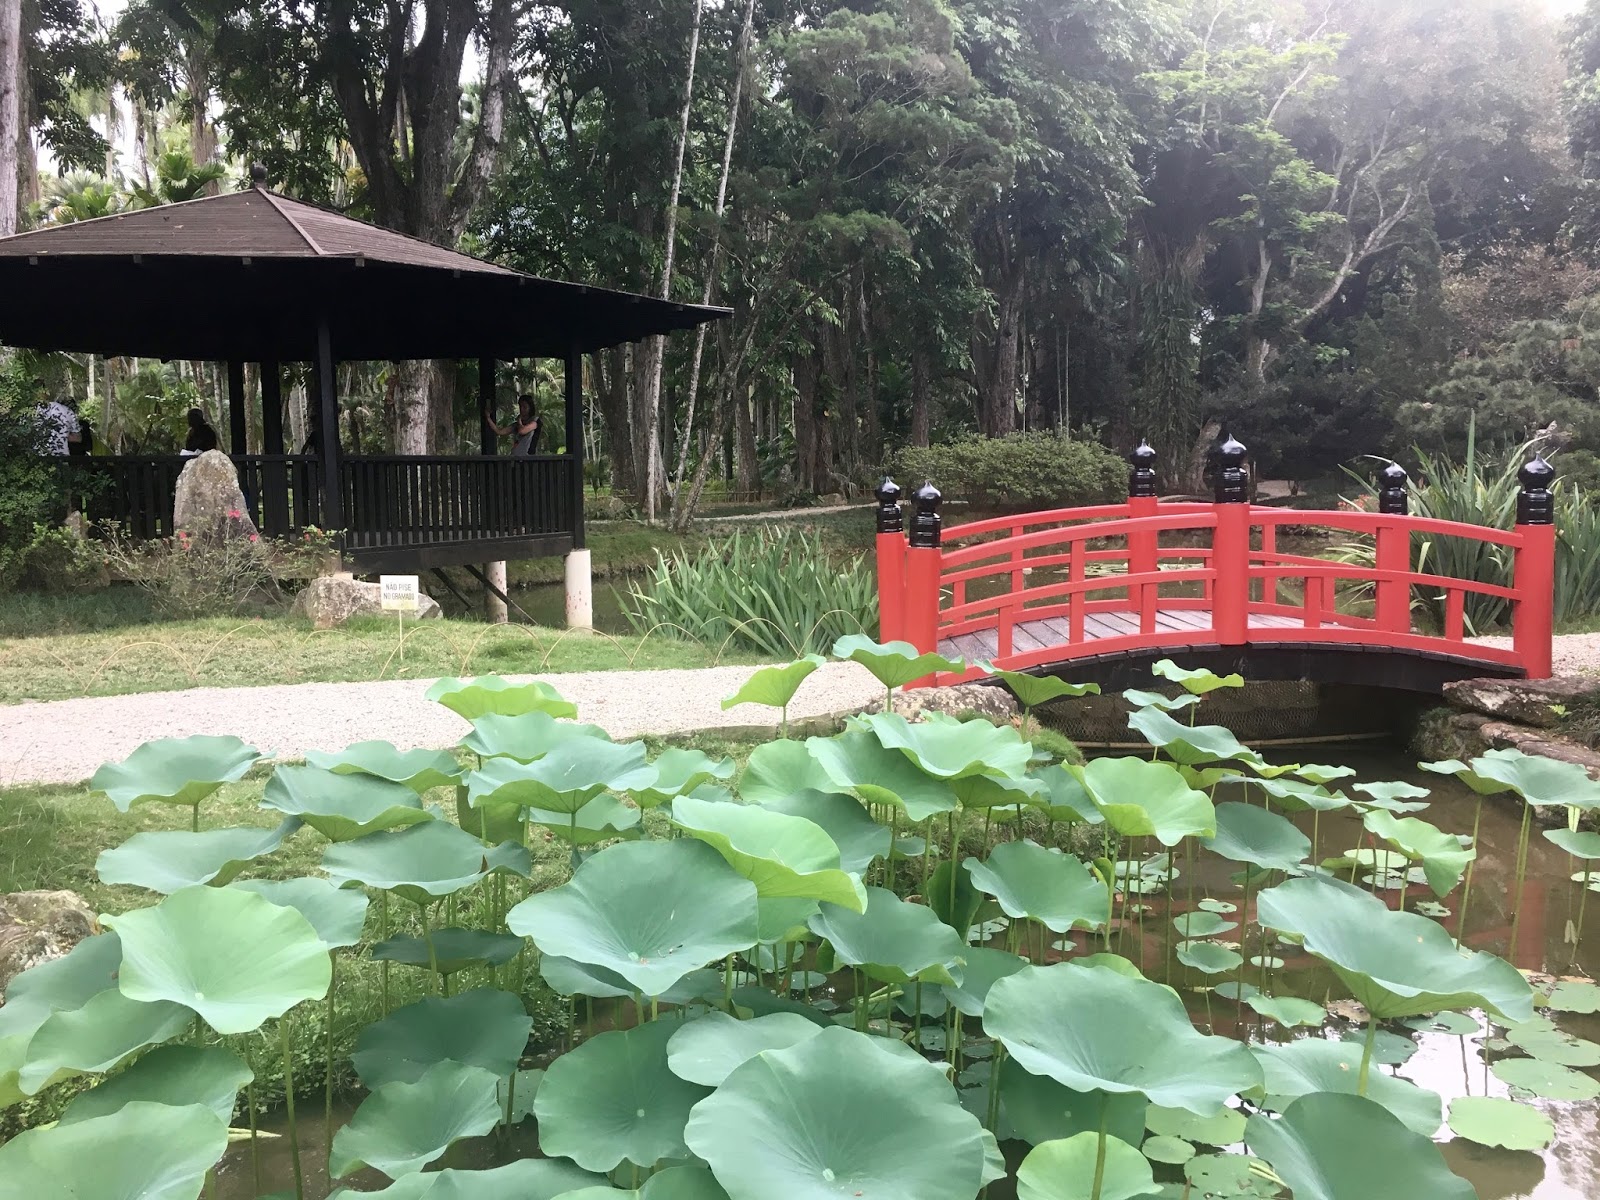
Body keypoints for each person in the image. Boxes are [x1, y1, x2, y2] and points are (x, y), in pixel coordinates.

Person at [34, 388, 81, 456]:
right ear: (46, 393)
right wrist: (61, 435)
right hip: (61, 457)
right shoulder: (67, 411)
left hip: (36, 459)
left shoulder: (28, 413)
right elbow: (77, 438)